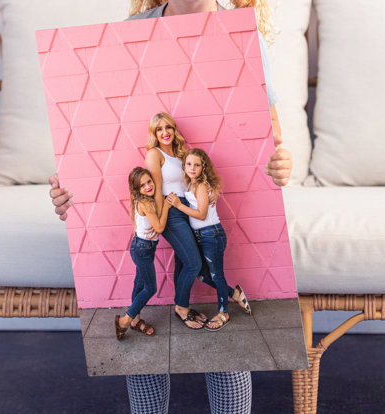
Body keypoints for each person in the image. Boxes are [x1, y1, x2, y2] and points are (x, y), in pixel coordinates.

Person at [49, 1, 293, 413]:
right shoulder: (128, 33)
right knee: (154, 313)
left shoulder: (240, 31)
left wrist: (281, 164)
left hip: (197, 211)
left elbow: (271, 137)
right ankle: (191, 303)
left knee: (226, 346)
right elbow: (88, 134)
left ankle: (204, 300)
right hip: (160, 215)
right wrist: (71, 197)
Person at [167, 148, 250, 331]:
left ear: (203, 167)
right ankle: (234, 293)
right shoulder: (190, 185)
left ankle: (223, 312)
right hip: (200, 236)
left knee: (216, 275)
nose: (192, 168)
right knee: (202, 274)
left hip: (211, 234)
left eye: (197, 165)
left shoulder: (202, 186)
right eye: (189, 164)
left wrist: (179, 205)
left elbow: (202, 214)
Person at [115, 167, 171, 339]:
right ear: (136, 189)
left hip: (142, 246)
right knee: (150, 287)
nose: (148, 186)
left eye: (149, 181)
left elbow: (153, 224)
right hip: (142, 249)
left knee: (139, 285)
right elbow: (160, 227)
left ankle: (135, 320)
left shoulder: (143, 199)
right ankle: (124, 320)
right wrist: (167, 205)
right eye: (142, 185)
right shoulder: (145, 202)